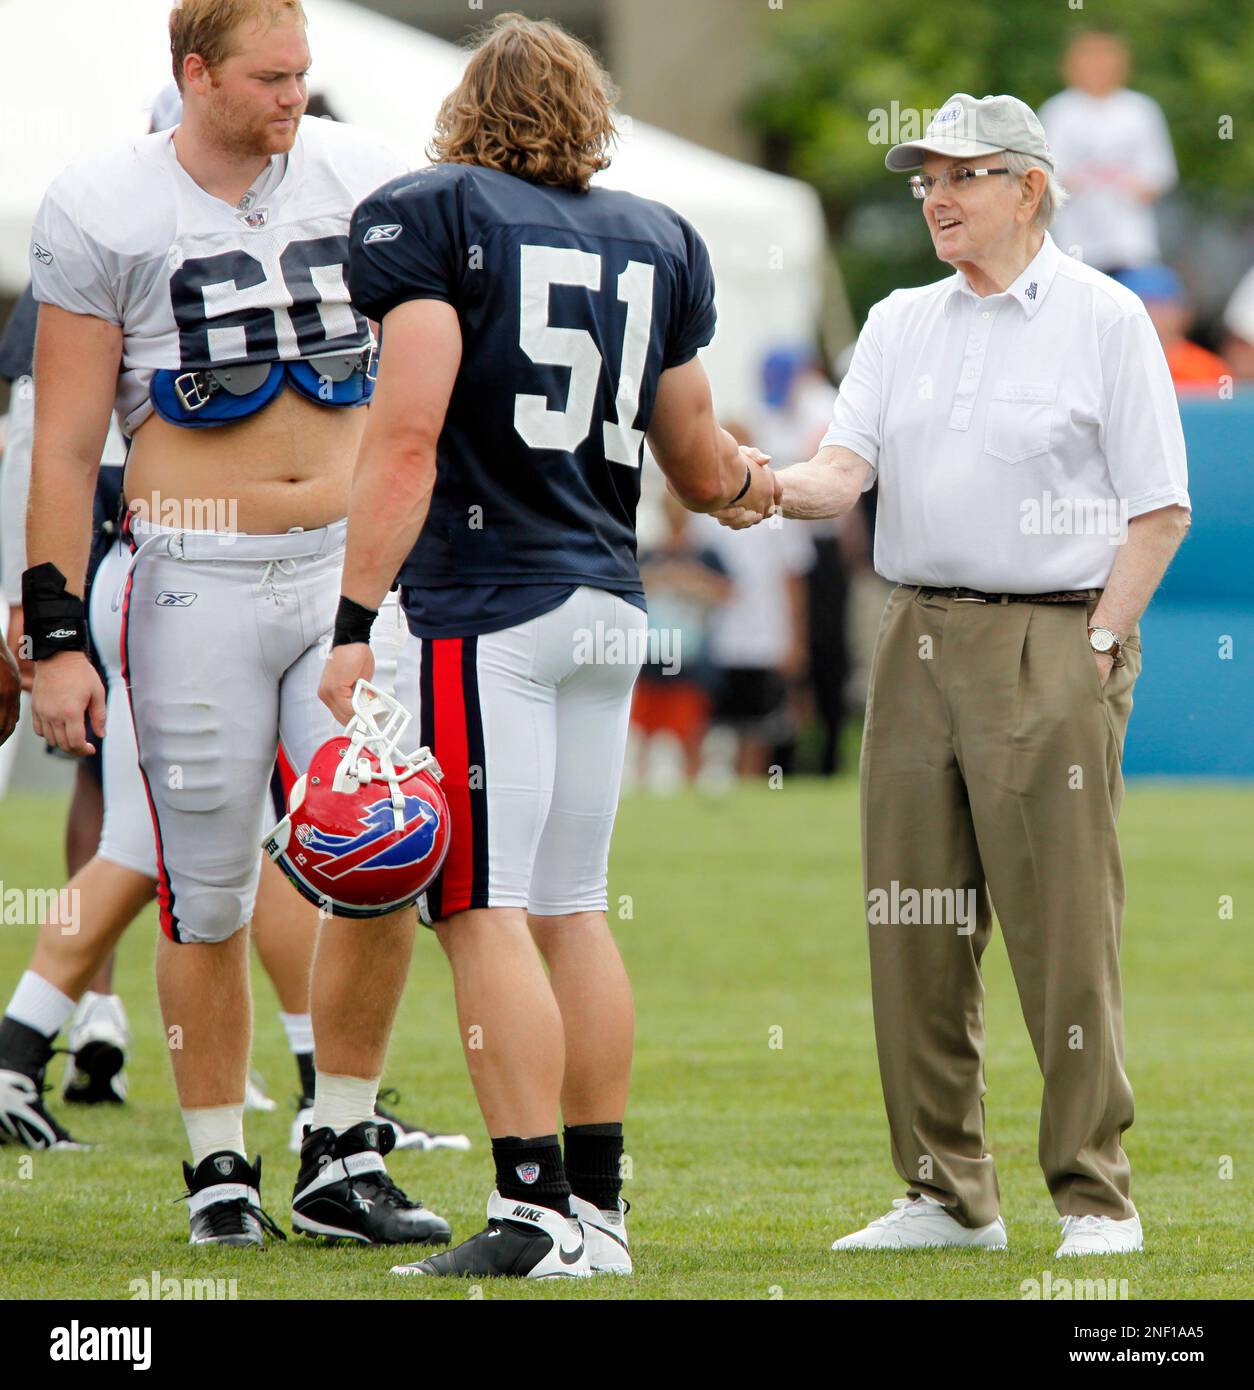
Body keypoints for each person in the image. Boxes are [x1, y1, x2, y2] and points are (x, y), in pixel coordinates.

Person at [318, 12, 776, 1279]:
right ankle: (600, 1214)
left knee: (477, 903)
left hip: (490, 604)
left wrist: (354, 622)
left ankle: (531, 1211)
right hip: (609, 607)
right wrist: (761, 487)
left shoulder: (432, 214)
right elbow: (698, 456)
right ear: (591, 115)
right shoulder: (660, 236)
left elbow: (406, 437)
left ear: (467, 109)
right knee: (572, 904)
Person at [723, 93, 1190, 1258]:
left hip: (1053, 635)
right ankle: (946, 1193)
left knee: (1061, 930)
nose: (934, 195)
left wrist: (1095, 643)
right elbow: (841, 471)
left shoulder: (1107, 317)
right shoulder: (898, 319)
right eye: (924, 177)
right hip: (917, 632)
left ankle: (1095, 1196)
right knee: (913, 922)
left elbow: (1159, 509)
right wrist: (759, 484)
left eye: (960, 175)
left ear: (1029, 186)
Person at [14, 0, 450, 1247]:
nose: (293, 96)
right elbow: (63, 434)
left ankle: (344, 1146)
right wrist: (52, 629)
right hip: (194, 570)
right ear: (192, 73)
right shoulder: (107, 199)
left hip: (346, 575)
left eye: (306, 73)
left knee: (384, 849)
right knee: (202, 888)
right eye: (269, 76)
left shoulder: (365, 176)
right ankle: (217, 1165)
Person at [1039, 30, 1177, 275]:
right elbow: (1044, 175)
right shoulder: (1058, 112)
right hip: (1072, 245)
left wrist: (1123, 185)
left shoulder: (1140, 111)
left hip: (1132, 247)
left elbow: (1160, 174)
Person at [1114, 265, 1231, 393]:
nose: (1156, 314)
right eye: (1148, 304)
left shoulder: (1210, 369)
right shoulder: (1114, 365)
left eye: (1163, 305)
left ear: (1184, 312)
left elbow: (1229, 407)